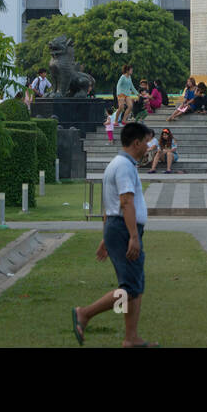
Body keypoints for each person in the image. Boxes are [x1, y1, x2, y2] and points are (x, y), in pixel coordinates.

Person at [73, 121, 156, 347]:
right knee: (129, 288)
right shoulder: (124, 167)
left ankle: (132, 338)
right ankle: (85, 313)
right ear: (136, 142)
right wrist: (133, 237)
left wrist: (106, 238)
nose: (149, 147)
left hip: (117, 228)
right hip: (123, 229)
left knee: (135, 285)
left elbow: (109, 205)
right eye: (147, 143)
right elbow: (125, 202)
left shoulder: (119, 164)